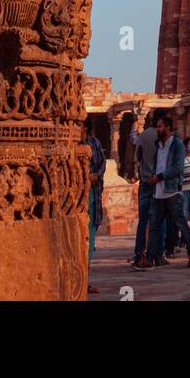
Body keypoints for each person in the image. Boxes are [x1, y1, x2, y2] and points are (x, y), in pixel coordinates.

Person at [140, 112, 190, 269]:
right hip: (158, 193)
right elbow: (157, 164)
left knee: (181, 224)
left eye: (159, 127)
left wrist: (159, 177)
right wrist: (154, 176)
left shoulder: (177, 144)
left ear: (167, 127)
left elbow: (177, 167)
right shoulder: (158, 145)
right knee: (153, 226)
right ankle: (150, 258)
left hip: (172, 192)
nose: (157, 129)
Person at [130, 110, 159, 269]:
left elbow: (137, 158)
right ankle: (154, 255)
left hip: (145, 181)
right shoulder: (164, 139)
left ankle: (139, 254)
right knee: (157, 221)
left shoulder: (142, 137)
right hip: (158, 182)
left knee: (143, 221)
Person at [85, 116, 106, 293]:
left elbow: (102, 164)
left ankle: (83, 278)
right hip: (77, 194)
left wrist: (95, 176)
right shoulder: (71, 142)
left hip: (93, 194)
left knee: (89, 239)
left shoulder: (94, 143)